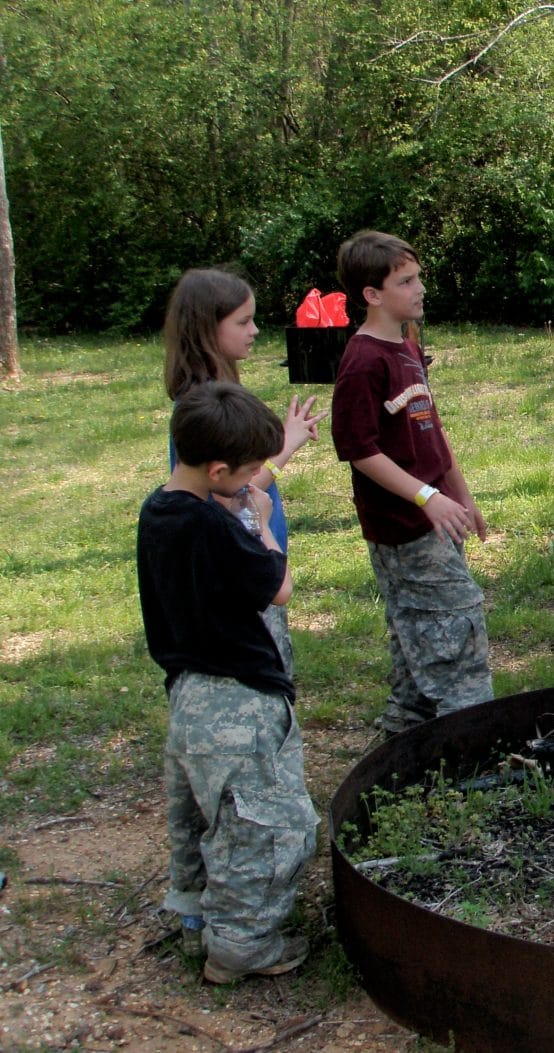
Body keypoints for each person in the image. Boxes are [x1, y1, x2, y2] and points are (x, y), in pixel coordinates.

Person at [137, 382, 319, 984]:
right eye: (244, 475)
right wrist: (262, 525)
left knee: (198, 816)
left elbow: (230, 498)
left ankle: (195, 918)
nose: (251, 484)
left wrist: (256, 479)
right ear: (218, 470)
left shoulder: (161, 509)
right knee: (267, 826)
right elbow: (278, 585)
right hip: (237, 702)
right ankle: (242, 948)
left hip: (187, 697)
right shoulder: (220, 529)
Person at [331, 230, 494, 734]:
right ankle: (469, 733)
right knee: (453, 621)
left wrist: (460, 497)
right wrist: (426, 497)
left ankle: (406, 728)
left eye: (418, 276)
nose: (420, 288)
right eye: (406, 281)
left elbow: (432, 434)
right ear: (372, 295)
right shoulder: (362, 363)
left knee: (416, 624)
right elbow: (358, 450)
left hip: (437, 514)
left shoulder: (406, 346)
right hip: (402, 523)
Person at [163, 268, 328, 674]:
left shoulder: (213, 396)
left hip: (251, 560)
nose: (254, 330)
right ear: (205, 328)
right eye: (242, 322)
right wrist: (284, 448)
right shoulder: (206, 407)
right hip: (243, 567)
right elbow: (228, 491)